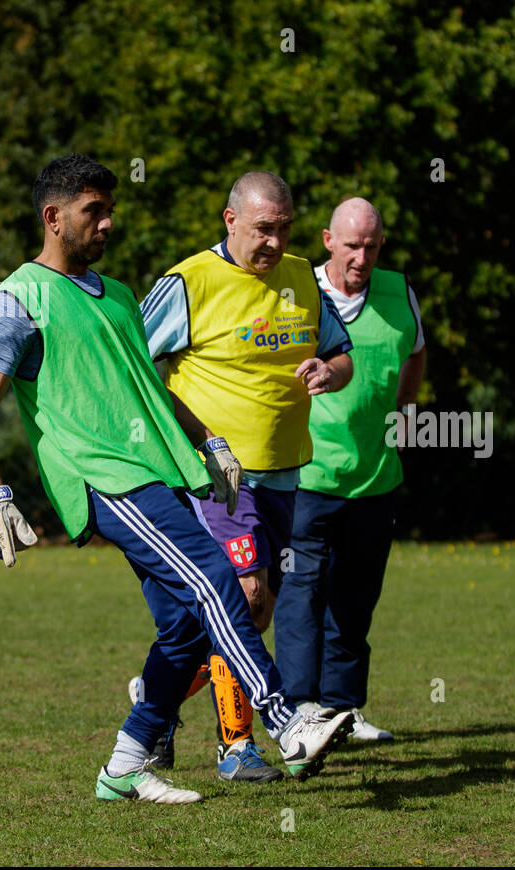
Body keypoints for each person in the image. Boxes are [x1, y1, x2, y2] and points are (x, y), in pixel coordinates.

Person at [0, 154, 352, 804]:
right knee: (217, 576)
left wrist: (209, 442)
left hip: (162, 470)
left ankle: (125, 765)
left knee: (185, 627)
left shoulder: (114, 295)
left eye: (110, 210)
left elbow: (149, 386)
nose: (108, 223)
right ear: (53, 218)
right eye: (94, 212)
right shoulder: (17, 297)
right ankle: (287, 722)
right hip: (102, 476)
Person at [136, 170, 354, 782]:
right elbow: (137, 365)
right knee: (248, 595)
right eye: (263, 229)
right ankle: (243, 746)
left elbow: (341, 355)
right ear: (229, 221)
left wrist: (328, 372)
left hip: (286, 472)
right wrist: (197, 440)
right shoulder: (189, 283)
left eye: (284, 229)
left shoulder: (304, 280)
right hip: (217, 475)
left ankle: (154, 702)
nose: (275, 243)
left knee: (247, 615)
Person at [272, 198, 426, 742]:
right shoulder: (296, 290)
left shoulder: (398, 290)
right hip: (306, 476)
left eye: (373, 245)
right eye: (353, 244)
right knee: (301, 595)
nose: (363, 256)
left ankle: (344, 708)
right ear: (327, 240)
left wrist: (406, 413)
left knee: (356, 598)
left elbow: (416, 353)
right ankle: (299, 709)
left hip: (375, 477)